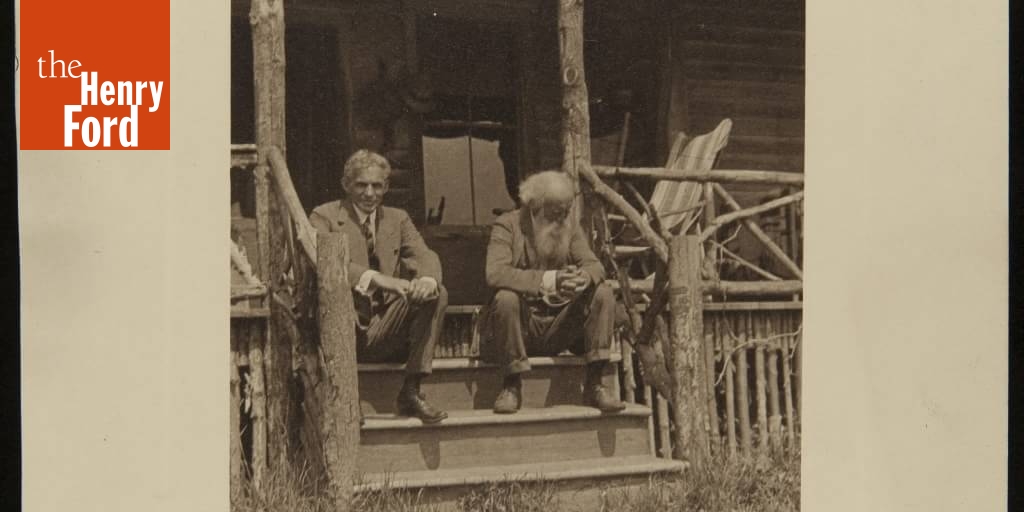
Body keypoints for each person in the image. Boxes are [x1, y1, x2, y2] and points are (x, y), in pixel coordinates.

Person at [310, 150, 448, 424]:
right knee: (339, 303)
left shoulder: (397, 219)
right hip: (343, 327)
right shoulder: (324, 216)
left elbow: (424, 255)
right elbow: (323, 262)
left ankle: (411, 390)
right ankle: (347, 397)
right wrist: (378, 278)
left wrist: (426, 280)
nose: (369, 193)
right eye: (361, 185)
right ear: (346, 185)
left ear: (386, 187)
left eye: (377, 186)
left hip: (383, 328)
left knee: (436, 293)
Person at [481, 170, 626, 414]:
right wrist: (550, 280)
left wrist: (582, 279)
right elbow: (495, 273)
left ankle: (595, 384)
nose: (563, 218)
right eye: (555, 212)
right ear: (534, 207)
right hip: (520, 329)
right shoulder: (507, 226)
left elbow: (594, 265)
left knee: (602, 292)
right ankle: (511, 384)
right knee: (505, 298)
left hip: (559, 327)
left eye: (567, 210)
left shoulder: (569, 226)